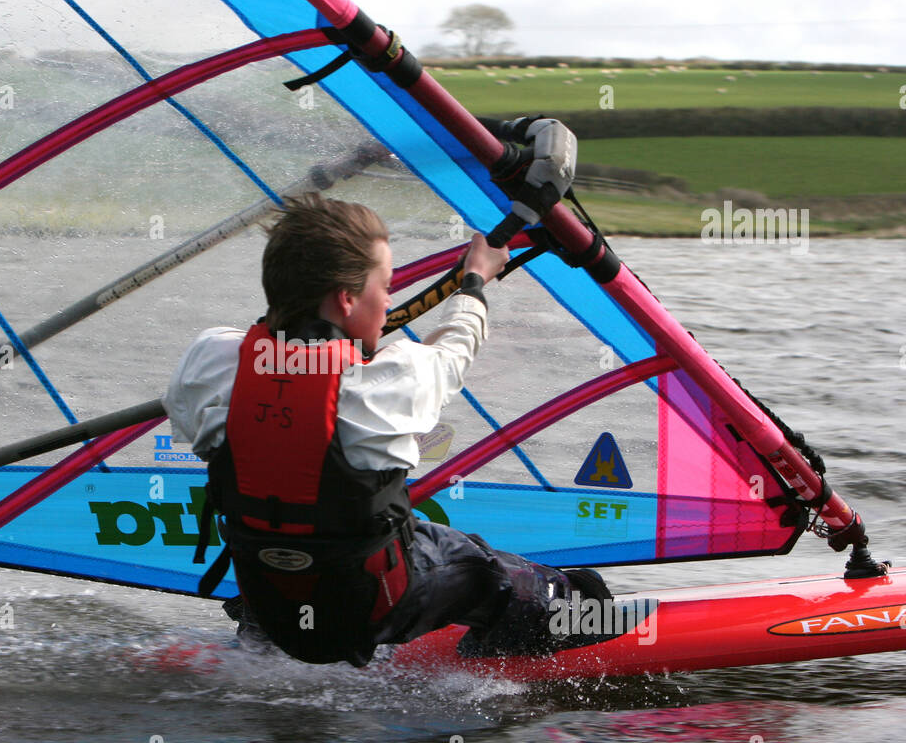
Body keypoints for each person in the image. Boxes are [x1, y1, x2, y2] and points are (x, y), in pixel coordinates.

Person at [163, 191, 610, 667]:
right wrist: (475, 280)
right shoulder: (390, 379)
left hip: (273, 605)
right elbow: (455, 349)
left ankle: (262, 643)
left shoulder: (209, 361)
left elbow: (238, 382)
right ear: (347, 298)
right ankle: (501, 660)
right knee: (537, 585)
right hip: (370, 608)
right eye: (387, 285)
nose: (392, 299)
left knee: (301, 529)